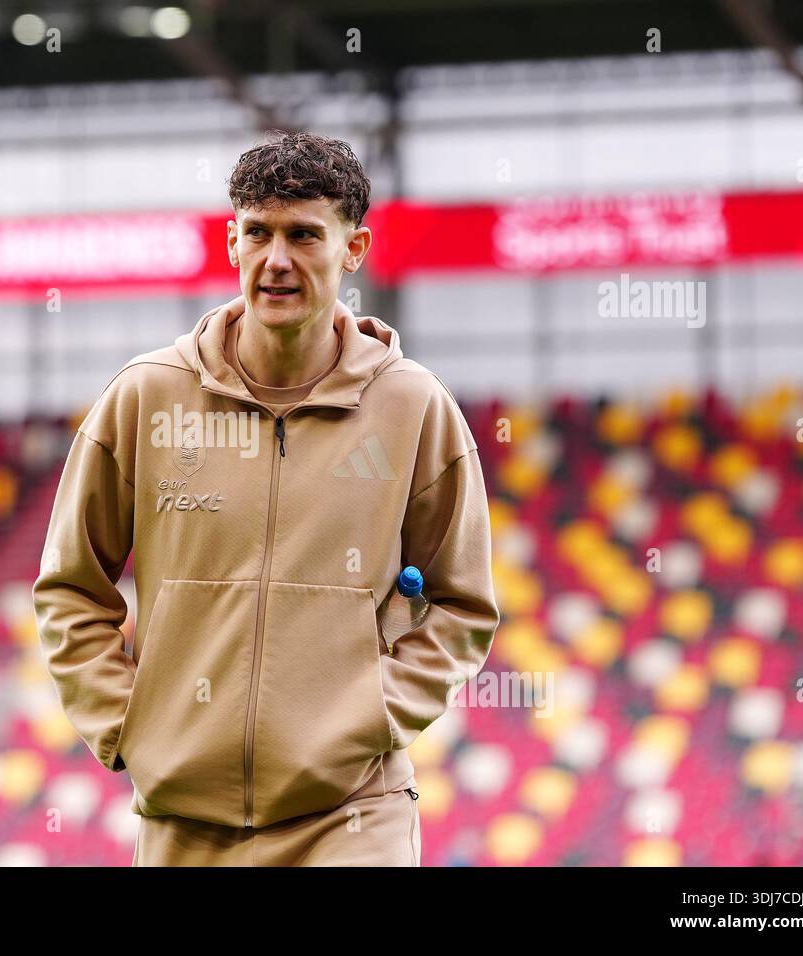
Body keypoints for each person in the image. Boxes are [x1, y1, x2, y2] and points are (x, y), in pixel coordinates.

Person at [34, 131, 500, 866]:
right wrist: (128, 724)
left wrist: (375, 715)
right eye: (259, 233)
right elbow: (69, 588)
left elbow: (463, 604)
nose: (277, 260)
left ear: (355, 249)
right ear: (232, 243)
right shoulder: (145, 396)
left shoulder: (414, 408)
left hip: (351, 816)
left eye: (304, 235)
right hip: (183, 822)